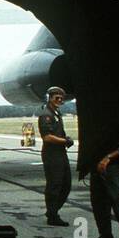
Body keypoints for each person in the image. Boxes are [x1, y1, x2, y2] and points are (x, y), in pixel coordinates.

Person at [38, 86, 74, 225]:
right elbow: (47, 137)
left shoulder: (56, 113)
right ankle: (52, 215)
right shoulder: (46, 114)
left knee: (66, 184)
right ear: (50, 98)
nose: (59, 100)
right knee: (54, 185)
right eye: (56, 98)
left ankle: (52, 211)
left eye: (61, 98)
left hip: (60, 152)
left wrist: (65, 139)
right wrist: (64, 141)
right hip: (52, 154)